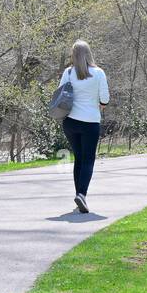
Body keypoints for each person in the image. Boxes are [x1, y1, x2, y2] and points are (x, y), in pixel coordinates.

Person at [58, 39, 109, 213]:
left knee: (79, 159)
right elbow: (105, 99)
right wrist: (99, 103)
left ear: (73, 55)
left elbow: (60, 94)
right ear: (89, 54)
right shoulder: (99, 73)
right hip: (90, 122)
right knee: (88, 160)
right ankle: (82, 194)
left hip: (70, 122)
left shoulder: (68, 72)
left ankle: (79, 195)